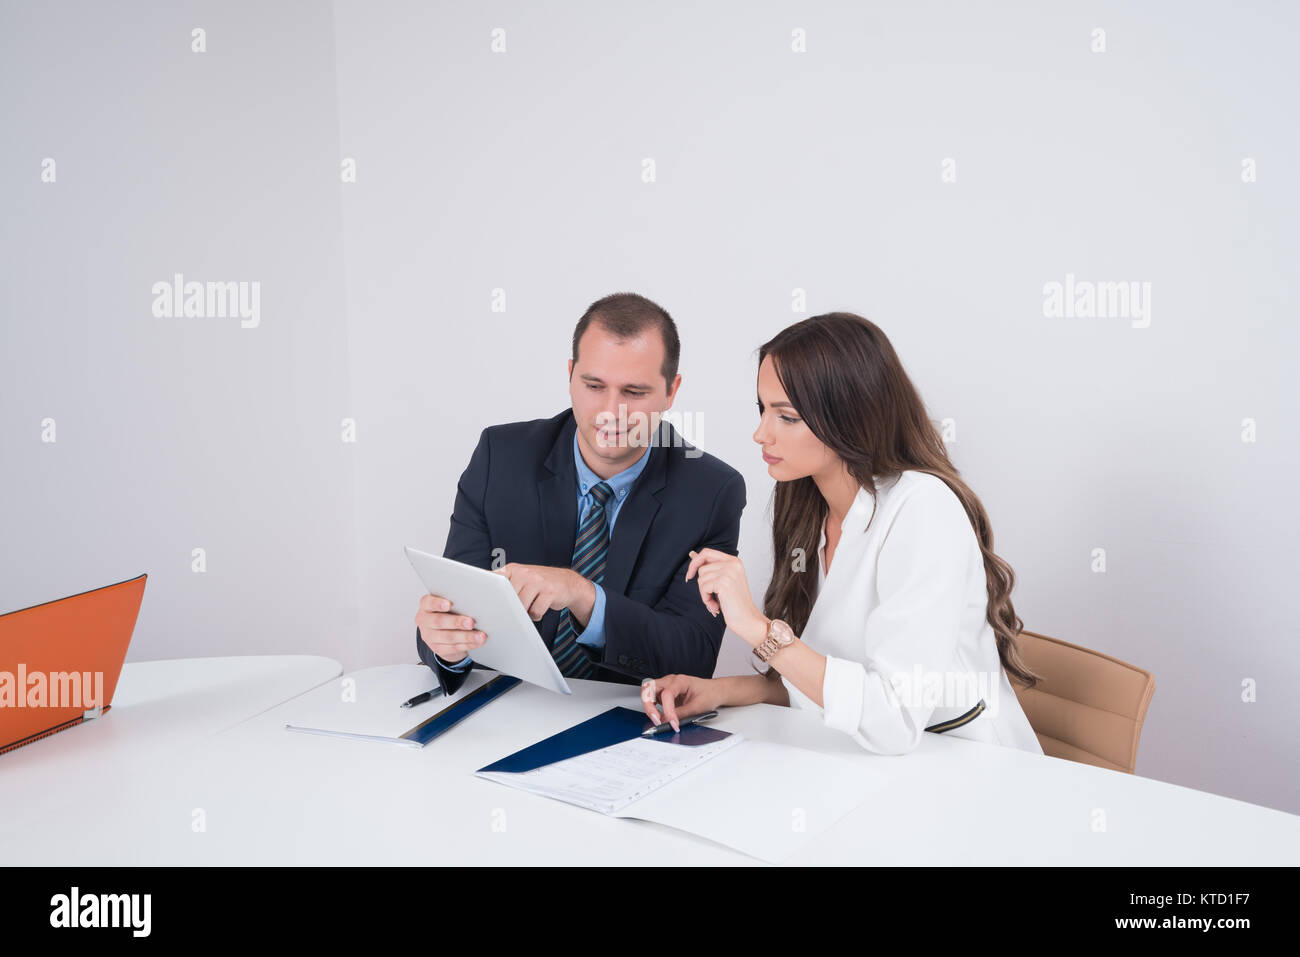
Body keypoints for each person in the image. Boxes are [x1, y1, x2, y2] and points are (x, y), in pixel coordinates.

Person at [639, 312, 1044, 755]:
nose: (760, 433)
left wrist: (757, 628)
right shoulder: (806, 508)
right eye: (762, 409)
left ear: (848, 416)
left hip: (969, 771)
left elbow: (891, 720)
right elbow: (824, 683)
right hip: (864, 767)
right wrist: (718, 691)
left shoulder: (923, 509)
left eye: (786, 417)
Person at [416, 292, 747, 696]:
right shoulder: (499, 457)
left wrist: (584, 595)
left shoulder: (711, 492)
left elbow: (691, 656)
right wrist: (449, 645)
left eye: (634, 392)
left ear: (671, 391)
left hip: (626, 724)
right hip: (504, 710)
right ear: (571, 375)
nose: (610, 411)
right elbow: (456, 607)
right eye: (593, 385)